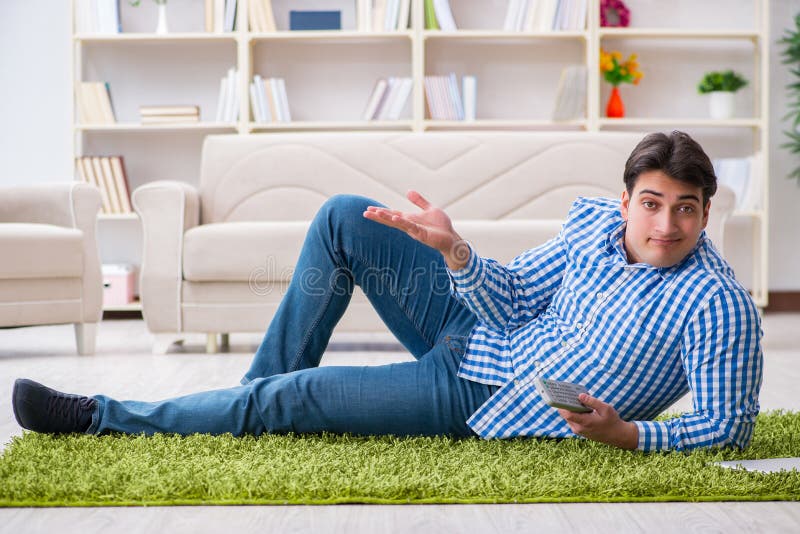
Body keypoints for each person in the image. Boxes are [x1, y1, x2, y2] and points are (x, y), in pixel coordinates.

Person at [12, 130, 762, 452]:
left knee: (293, 402)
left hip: (479, 396)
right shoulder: (595, 227)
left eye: (687, 208)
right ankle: (246, 405)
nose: (667, 224)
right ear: (627, 198)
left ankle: (101, 417)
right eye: (653, 203)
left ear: (705, 209)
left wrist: (628, 435)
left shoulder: (716, 304)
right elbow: (514, 298)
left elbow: (728, 428)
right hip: (477, 328)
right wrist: (454, 248)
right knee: (342, 218)